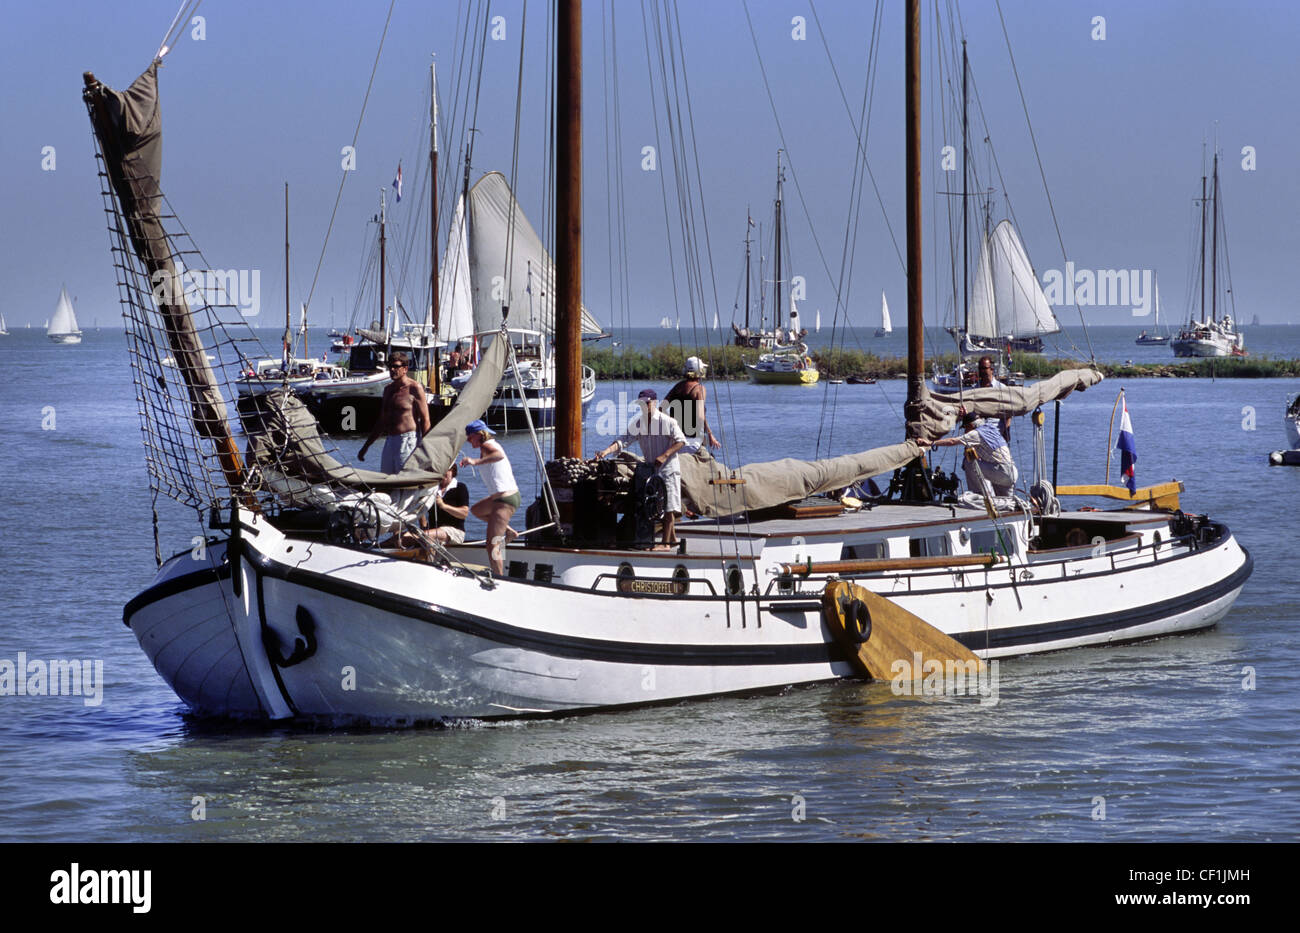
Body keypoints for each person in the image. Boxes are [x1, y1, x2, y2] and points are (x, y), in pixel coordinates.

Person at [594, 388, 687, 549]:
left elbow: (681, 441)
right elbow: (623, 440)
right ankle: (671, 539)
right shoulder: (639, 423)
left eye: (648, 403)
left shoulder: (667, 421)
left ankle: (665, 544)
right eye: (641, 404)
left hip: (668, 468)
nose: (645, 407)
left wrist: (664, 456)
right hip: (651, 469)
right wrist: (605, 452)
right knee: (655, 504)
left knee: (668, 505)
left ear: (655, 403)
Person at [459, 419, 519, 575]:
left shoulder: (487, 446)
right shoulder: (490, 445)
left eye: (469, 437)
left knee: (493, 545)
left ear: (479, 434)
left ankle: (500, 579)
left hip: (504, 501)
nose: (468, 440)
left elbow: (498, 455)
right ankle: (510, 532)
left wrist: (474, 461)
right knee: (477, 510)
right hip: (503, 497)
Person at [918, 408, 1019, 497]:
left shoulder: (976, 434)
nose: (965, 431)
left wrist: (931, 443)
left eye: (966, 428)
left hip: (1002, 472)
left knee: (970, 462)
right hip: (1012, 472)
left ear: (970, 426)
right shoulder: (991, 427)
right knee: (1005, 502)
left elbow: (952, 441)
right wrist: (967, 415)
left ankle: (979, 496)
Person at [358, 352, 430, 473]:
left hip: (408, 441)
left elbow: (425, 419)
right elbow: (382, 421)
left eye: (396, 366)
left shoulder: (414, 388)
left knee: (404, 480)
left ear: (405, 369)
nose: (392, 369)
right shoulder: (388, 390)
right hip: (390, 440)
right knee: (386, 481)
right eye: (390, 366)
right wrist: (366, 447)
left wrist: (426, 449)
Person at [664, 356, 721, 454]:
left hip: (675, 441)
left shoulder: (677, 387)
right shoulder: (699, 389)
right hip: (693, 442)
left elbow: (661, 408)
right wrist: (710, 434)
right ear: (700, 371)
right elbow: (700, 416)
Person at [426, 464, 469, 545]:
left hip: (454, 531)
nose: (444, 472)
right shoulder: (431, 489)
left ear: (453, 471)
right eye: (441, 469)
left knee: (428, 536)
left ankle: (430, 557)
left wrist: (443, 506)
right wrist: (423, 525)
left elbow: (464, 513)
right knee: (401, 539)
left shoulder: (460, 487)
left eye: (447, 469)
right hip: (432, 531)